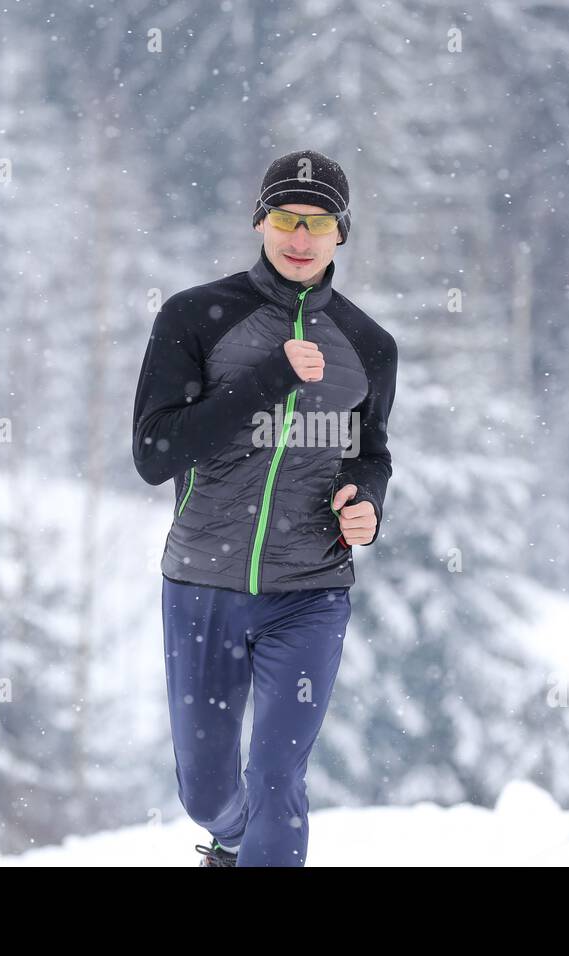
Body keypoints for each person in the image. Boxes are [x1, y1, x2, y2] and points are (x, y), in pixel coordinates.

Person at [131, 148, 398, 866]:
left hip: (308, 594)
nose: (301, 237)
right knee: (209, 793)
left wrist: (366, 500)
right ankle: (232, 844)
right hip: (203, 587)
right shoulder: (194, 318)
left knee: (277, 782)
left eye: (319, 222)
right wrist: (271, 378)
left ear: (343, 233)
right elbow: (155, 453)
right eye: (286, 217)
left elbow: (369, 453)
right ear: (260, 220)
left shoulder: (370, 346)